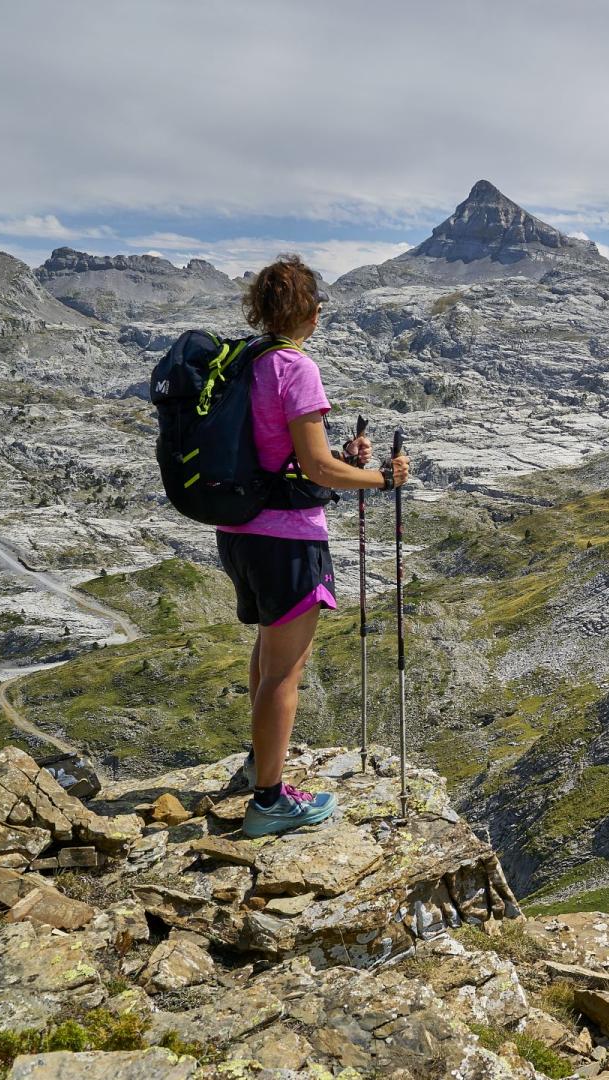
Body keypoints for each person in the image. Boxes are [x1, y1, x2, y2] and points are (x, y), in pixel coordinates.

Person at [218, 255, 408, 838]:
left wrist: (341, 459)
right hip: (288, 539)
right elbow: (318, 468)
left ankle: (259, 766)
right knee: (286, 673)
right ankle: (271, 801)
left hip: (239, 531)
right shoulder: (295, 368)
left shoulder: (242, 363)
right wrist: (382, 479)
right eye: (318, 302)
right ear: (307, 310)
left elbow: (284, 457)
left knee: (266, 655)